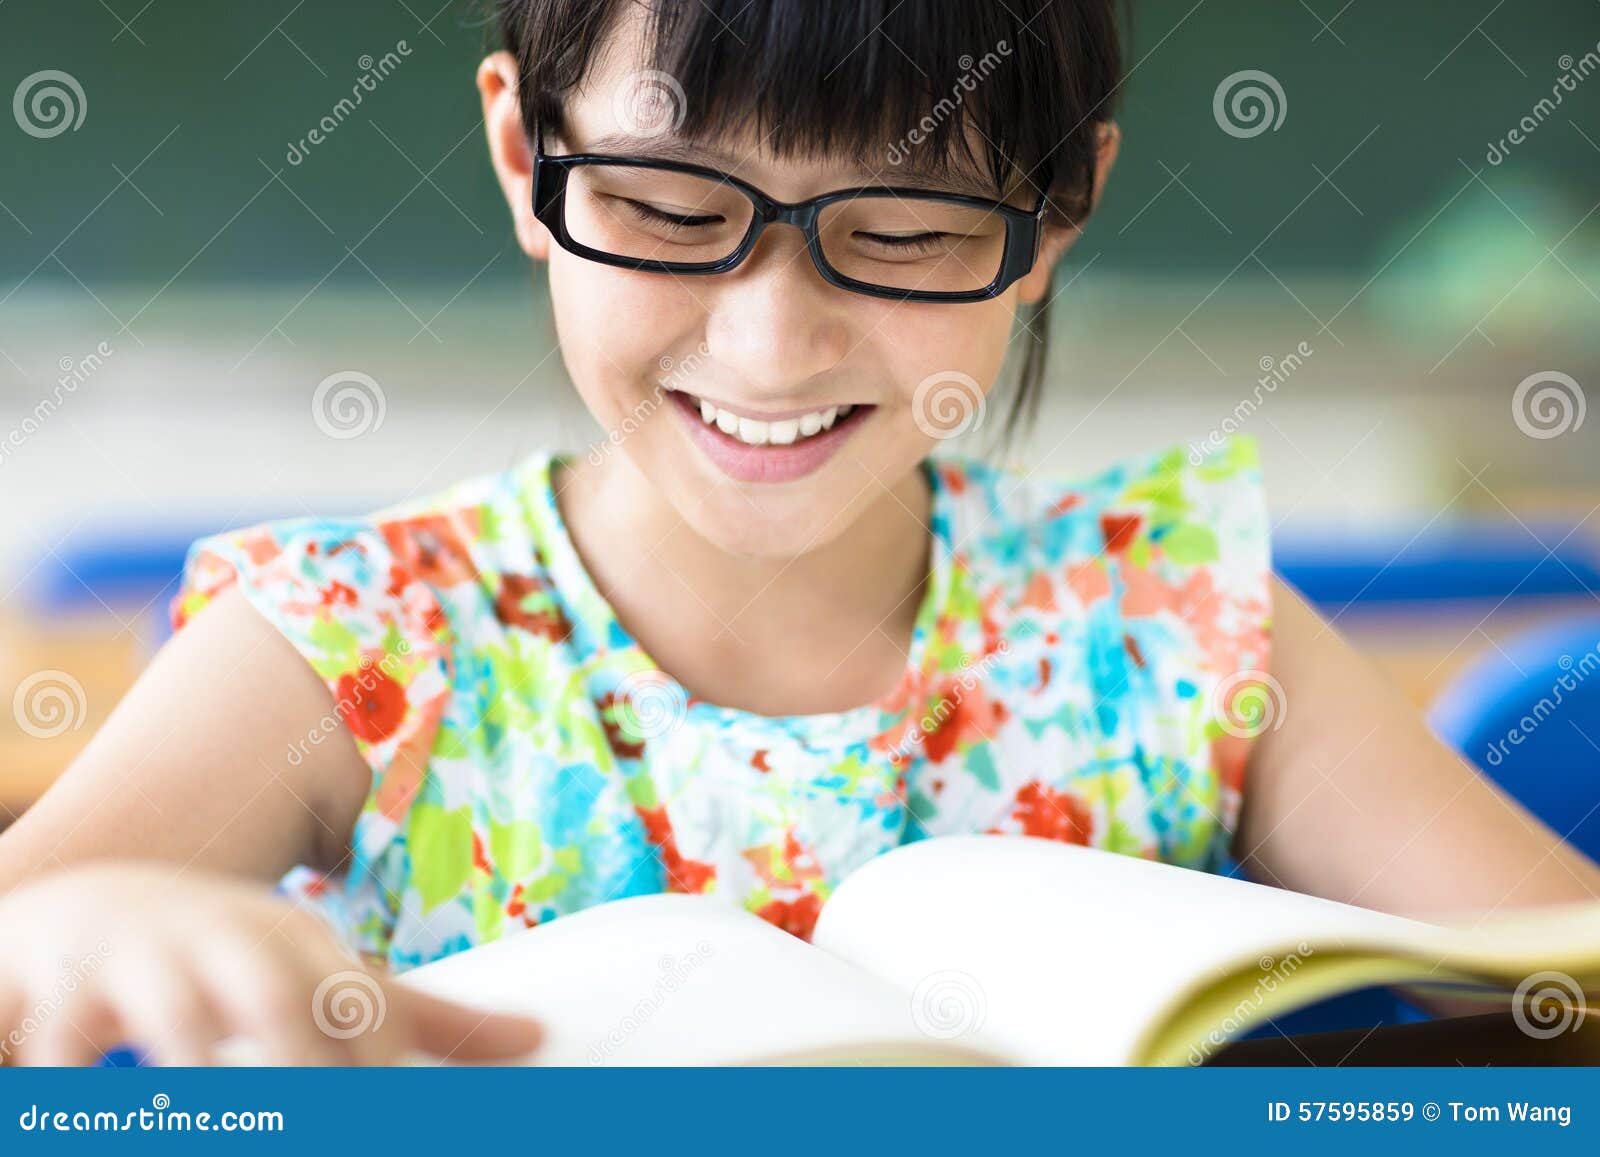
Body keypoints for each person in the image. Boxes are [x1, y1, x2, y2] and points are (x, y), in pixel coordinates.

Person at [2, 0, 1595, 1066]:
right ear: (521, 151)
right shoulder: (354, 640)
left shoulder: (1176, 626)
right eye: (668, 211)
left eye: (901, 231)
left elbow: (1561, 967)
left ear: (1056, 212)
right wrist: (67, 925)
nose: (771, 350)